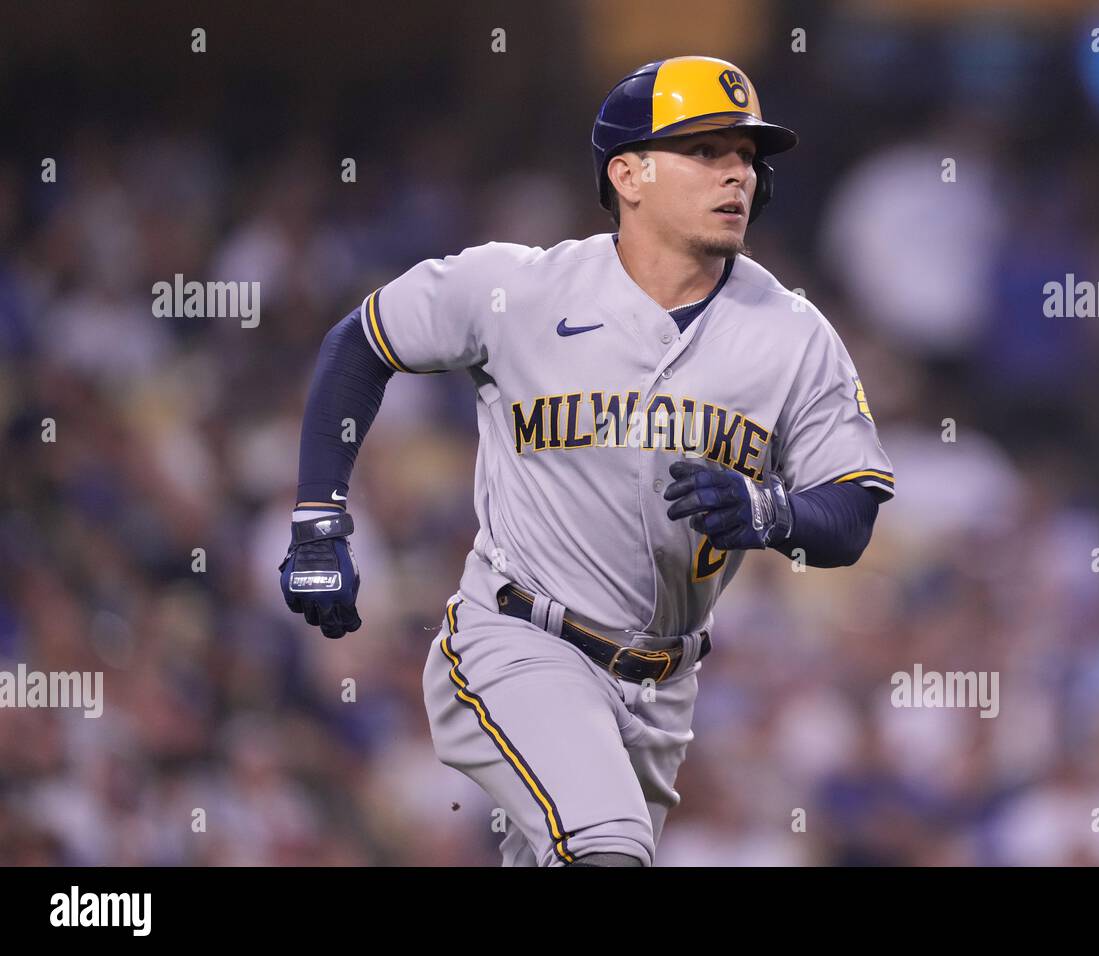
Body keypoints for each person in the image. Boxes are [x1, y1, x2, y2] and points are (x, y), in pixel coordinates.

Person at [279, 55, 895, 866]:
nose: (737, 173)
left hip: (664, 690)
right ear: (628, 173)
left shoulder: (792, 332)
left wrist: (770, 514)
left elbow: (850, 513)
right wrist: (319, 519)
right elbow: (360, 342)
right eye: (706, 150)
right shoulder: (521, 288)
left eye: (746, 156)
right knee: (608, 850)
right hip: (520, 640)